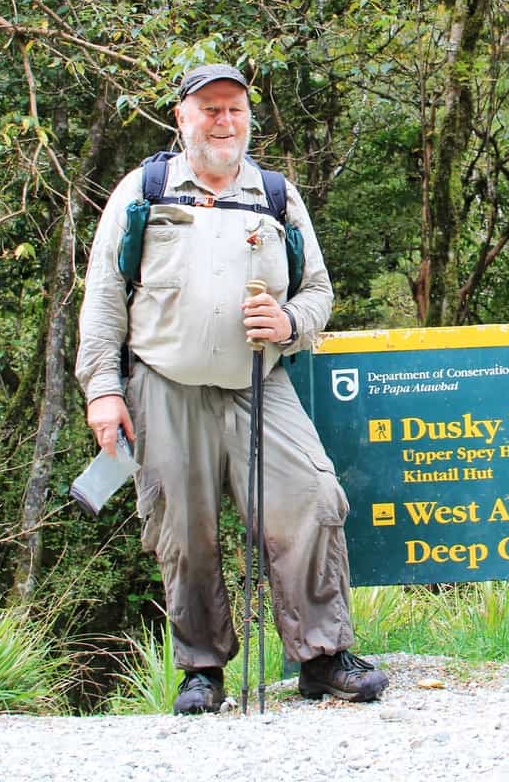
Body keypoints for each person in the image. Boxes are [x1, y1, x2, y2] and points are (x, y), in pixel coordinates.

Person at [75, 63, 388, 712]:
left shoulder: (275, 196)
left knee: (313, 498)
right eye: (209, 109)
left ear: (249, 118)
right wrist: (103, 390)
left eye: (235, 110)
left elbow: (318, 294)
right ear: (181, 116)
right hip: (164, 384)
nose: (224, 121)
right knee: (180, 529)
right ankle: (202, 670)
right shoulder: (145, 189)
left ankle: (323, 657)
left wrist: (288, 321)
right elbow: (104, 298)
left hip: (258, 382)